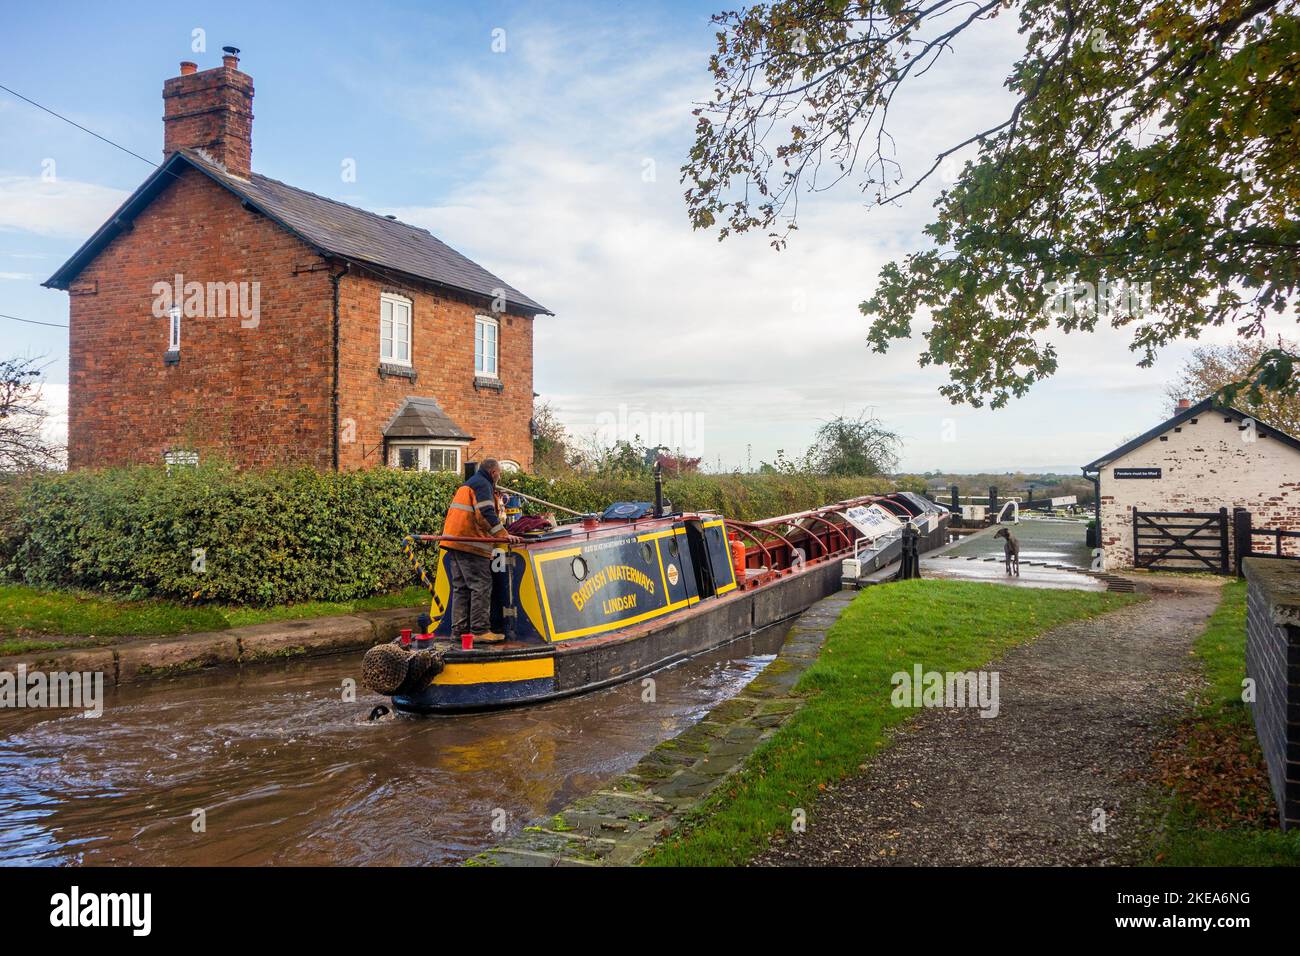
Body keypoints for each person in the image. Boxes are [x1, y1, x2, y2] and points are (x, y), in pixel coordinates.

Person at [440, 458, 520, 643]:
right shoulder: (483, 485)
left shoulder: (468, 485)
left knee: (461, 589)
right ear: (493, 473)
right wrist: (503, 534)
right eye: (499, 473)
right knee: (481, 586)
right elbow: (485, 513)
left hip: (454, 542)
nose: (499, 476)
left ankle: (458, 632)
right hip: (471, 544)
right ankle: (479, 630)